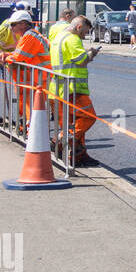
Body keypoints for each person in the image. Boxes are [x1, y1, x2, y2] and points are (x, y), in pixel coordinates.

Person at [54, 15, 101, 166]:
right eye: (85, 32)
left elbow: (70, 58)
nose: (85, 35)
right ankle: (61, 139)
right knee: (89, 117)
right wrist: (92, 53)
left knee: (74, 122)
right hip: (74, 88)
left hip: (60, 87)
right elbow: (81, 60)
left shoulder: (59, 37)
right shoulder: (73, 38)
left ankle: (78, 156)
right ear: (79, 27)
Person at [0, 10, 50, 129]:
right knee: (28, 107)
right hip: (33, 78)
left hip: (38, 79)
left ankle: (33, 133)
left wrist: (5, 57)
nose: (11, 28)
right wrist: (6, 55)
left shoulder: (30, 36)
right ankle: (27, 128)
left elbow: (18, 57)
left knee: (33, 108)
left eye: (13, 25)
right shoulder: (26, 36)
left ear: (23, 24)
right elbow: (17, 54)